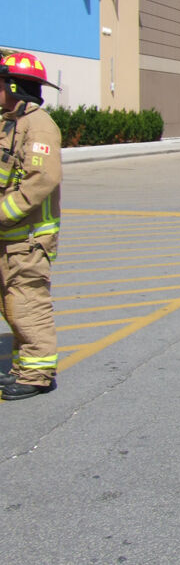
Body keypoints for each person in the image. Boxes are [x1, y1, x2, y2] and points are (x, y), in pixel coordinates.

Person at [0, 52, 63, 401]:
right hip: (10, 237)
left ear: (13, 87)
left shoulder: (38, 125)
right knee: (13, 304)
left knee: (27, 302)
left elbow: (43, 179)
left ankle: (37, 374)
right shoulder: (11, 122)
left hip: (27, 238)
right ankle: (24, 367)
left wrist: (3, 213)